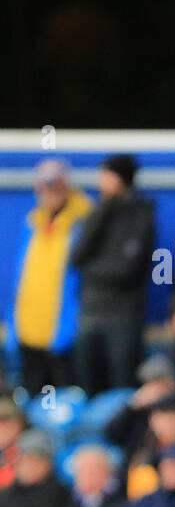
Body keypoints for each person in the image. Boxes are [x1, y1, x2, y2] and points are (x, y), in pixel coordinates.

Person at [71, 154, 156, 395]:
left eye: (106, 175)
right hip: (90, 314)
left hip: (124, 318)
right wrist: (105, 208)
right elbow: (76, 258)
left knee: (122, 387)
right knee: (87, 386)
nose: (101, 182)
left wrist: (91, 267)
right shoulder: (98, 212)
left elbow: (126, 270)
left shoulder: (142, 215)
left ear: (121, 179)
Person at [7, 158, 93, 394]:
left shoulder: (83, 224)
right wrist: (15, 324)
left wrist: (70, 327)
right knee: (28, 400)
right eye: (43, 187)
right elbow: (23, 277)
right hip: (29, 333)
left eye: (54, 186)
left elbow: (83, 282)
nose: (48, 194)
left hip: (64, 338)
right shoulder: (33, 224)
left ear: (67, 187)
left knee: (64, 403)